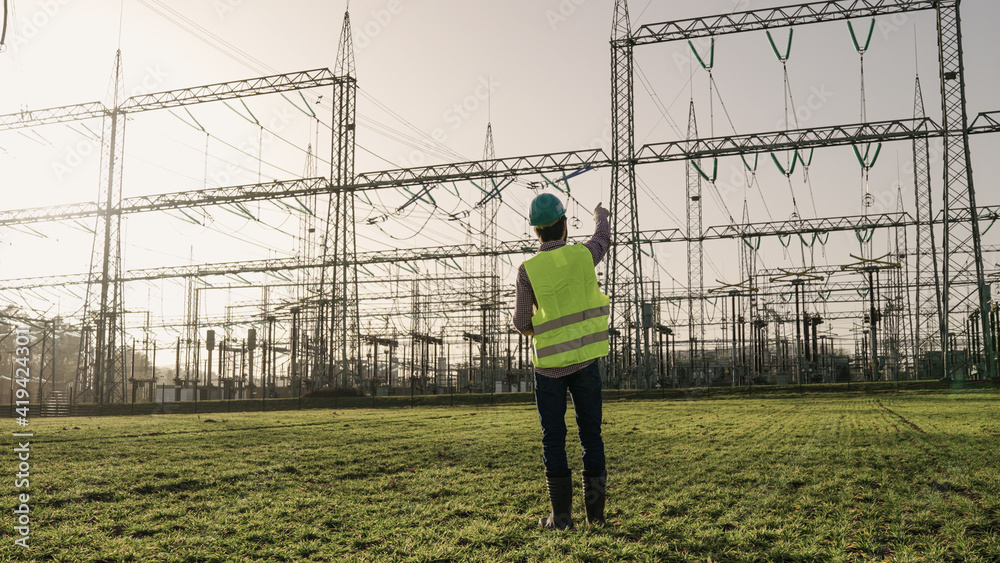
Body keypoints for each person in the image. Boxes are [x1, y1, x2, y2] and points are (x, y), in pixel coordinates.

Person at [512, 193, 610, 530]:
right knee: (591, 436)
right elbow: (603, 240)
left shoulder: (528, 271)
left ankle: (562, 518)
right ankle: (595, 518)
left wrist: (539, 327)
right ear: (565, 224)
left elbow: (521, 321)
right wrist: (601, 215)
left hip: (549, 367)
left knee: (553, 438)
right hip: (585, 360)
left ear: (536, 232)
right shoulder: (583, 256)